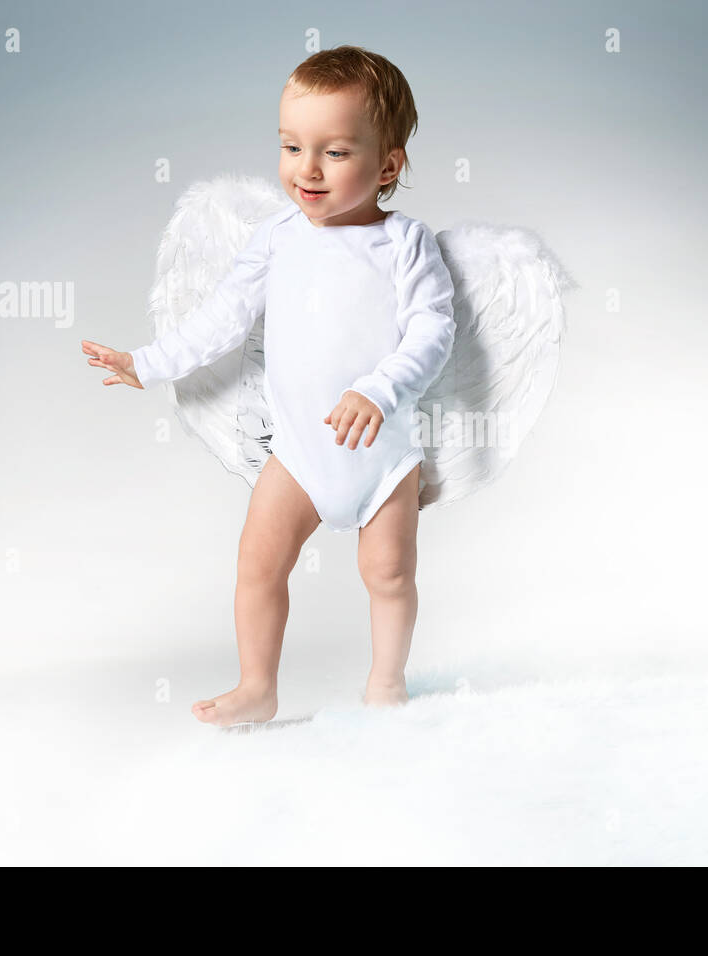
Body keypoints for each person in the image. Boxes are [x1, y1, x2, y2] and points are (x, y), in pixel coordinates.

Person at [81, 46, 455, 726]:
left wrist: (378, 389)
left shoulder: (407, 244)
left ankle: (386, 682)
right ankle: (258, 686)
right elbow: (224, 316)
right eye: (290, 146)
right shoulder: (278, 237)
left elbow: (433, 331)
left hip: (384, 456)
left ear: (389, 165)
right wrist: (149, 361)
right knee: (257, 566)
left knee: (390, 575)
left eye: (335, 153)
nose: (306, 169)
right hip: (300, 456)